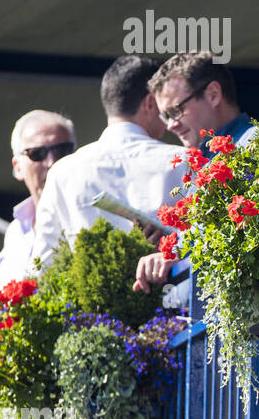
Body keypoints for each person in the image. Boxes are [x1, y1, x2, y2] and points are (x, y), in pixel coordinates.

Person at [28, 57, 186, 269]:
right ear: (150, 103)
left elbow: (45, 267)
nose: (169, 123)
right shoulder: (181, 161)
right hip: (174, 297)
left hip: (93, 299)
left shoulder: (62, 173)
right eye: (165, 110)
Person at [133, 53, 259, 292]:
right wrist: (165, 239)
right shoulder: (200, 164)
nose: (170, 124)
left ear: (213, 94)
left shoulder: (255, 142)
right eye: (164, 116)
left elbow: (245, 219)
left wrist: (177, 247)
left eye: (176, 110)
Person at [0, 111, 76, 285]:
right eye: (37, 153)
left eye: (62, 150)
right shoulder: (15, 233)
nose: (51, 162)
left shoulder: (94, 216)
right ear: (18, 167)